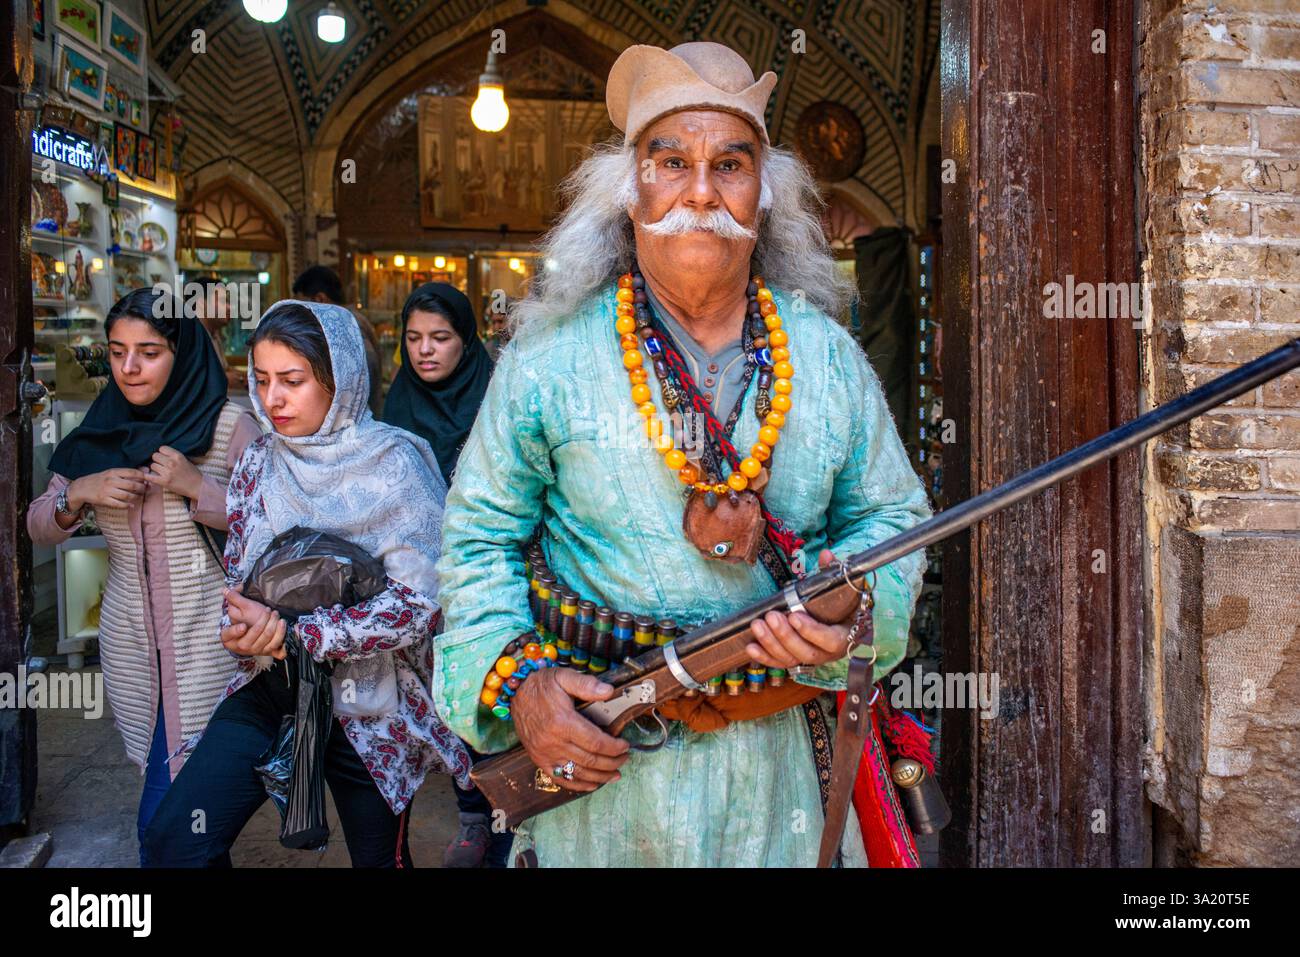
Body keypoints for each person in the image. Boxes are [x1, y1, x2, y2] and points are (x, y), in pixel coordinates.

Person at [431, 42, 932, 867]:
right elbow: (477, 535)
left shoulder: (827, 356)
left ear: (762, 198)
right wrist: (522, 688)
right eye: (672, 161)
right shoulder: (550, 358)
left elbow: (893, 520)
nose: (701, 190)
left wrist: (851, 617)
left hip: (784, 780)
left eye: (730, 164)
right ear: (631, 191)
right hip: (607, 785)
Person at [141, 300, 471, 868]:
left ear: (339, 380)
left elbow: (420, 603)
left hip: (368, 702)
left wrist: (304, 633)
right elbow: (241, 577)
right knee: (177, 840)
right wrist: (240, 629)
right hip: (272, 685)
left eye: (292, 381)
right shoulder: (259, 463)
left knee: (379, 860)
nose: (273, 399)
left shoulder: (395, 463)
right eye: (262, 380)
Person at [28, 287, 261, 863]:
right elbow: (37, 525)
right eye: (117, 351)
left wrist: (196, 487)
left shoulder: (231, 424)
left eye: (149, 351)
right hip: (134, 651)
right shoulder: (98, 430)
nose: (129, 367)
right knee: (189, 823)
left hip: (214, 652)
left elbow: (272, 526)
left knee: (165, 827)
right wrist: (80, 492)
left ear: (181, 352)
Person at [380, 282, 503, 866]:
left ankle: (504, 812)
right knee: (441, 698)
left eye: (440, 338)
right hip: (418, 587)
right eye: (413, 339)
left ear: (465, 339)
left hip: (492, 577)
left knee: (492, 689)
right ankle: (470, 813)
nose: (425, 351)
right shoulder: (395, 408)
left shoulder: (496, 397)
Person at [291, 264, 383, 415]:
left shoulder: (345, 324)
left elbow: (368, 369)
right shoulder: (344, 321)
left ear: (320, 299)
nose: (300, 312)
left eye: (302, 304)